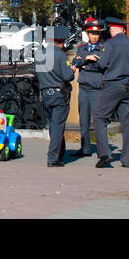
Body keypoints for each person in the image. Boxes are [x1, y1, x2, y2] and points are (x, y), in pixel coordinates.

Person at [87, 16, 129, 168]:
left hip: (113, 85)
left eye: (110, 28)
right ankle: (128, 160)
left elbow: (103, 64)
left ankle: (105, 154)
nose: (110, 31)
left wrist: (93, 60)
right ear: (123, 30)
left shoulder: (110, 44)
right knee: (127, 123)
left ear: (114, 29)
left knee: (99, 117)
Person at [35, 26, 75, 167]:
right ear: (63, 41)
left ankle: (60, 153)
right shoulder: (60, 55)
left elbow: (38, 74)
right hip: (59, 94)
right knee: (58, 126)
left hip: (45, 94)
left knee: (53, 125)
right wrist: (73, 68)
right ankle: (53, 158)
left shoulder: (40, 54)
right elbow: (68, 76)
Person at [72, 17, 105, 157]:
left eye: (96, 34)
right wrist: (86, 60)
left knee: (97, 120)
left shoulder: (103, 48)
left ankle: (102, 150)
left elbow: (102, 66)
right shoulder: (81, 48)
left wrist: (86, 64)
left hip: (96, 88)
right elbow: (75, 62)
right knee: (83, 119)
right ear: (88, 33)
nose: (94, 36)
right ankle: (85, 148)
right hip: (84, 88)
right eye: (92, 33)